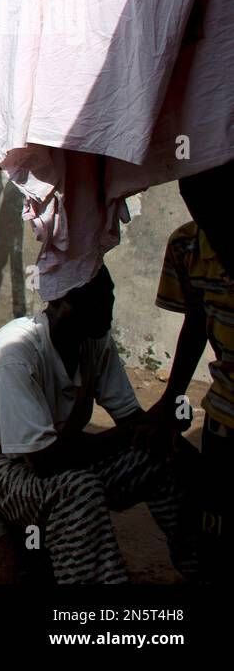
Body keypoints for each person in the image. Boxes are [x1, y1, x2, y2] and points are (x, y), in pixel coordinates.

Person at [0, 265, 200, 583]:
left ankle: (203, 569)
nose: (110, 306)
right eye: (99, 298)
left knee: (161, 453)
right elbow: (45, 461)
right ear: (64, 300)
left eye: (109, 295)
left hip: (52, 455)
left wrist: (159, 430)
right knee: (78, 491)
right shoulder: (17, 353)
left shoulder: (94, 340)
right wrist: (130, 433)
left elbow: (130, 419)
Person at [151, 161, 234, 577]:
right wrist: (172, 397)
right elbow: (197, 321)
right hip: (225, 410)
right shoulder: (186, 247)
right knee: (215, 529)